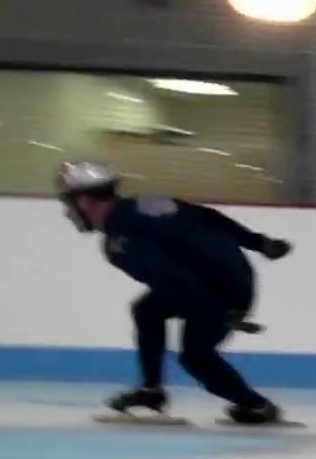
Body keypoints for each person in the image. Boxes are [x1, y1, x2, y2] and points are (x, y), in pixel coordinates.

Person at [55, 161, 291, 424]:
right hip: (231, 276)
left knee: (195, 356)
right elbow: (208, 217)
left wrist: (217, 312)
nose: (67, 213)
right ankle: (151, 390)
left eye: (68, 204)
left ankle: (257, 407)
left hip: (215, 289)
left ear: (85, 201)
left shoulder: (120, 242)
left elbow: (172, 280)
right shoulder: (146, 203)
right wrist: (259, 242)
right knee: (147, 310)